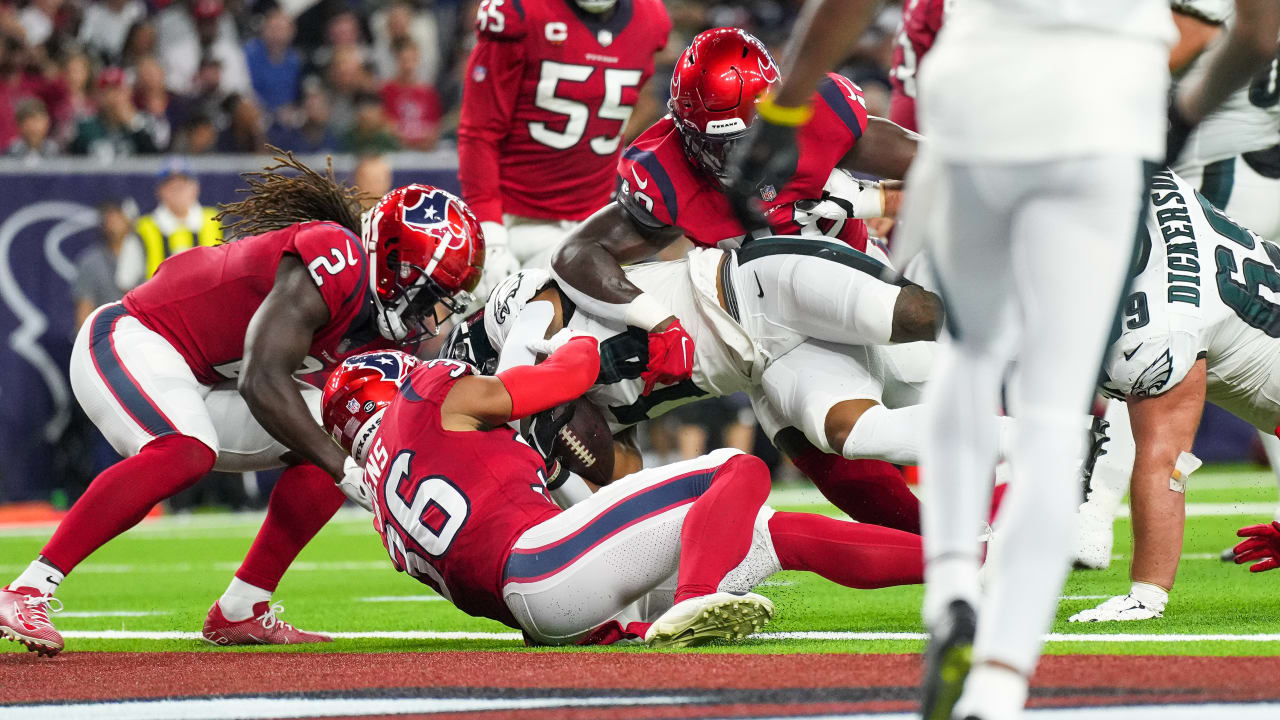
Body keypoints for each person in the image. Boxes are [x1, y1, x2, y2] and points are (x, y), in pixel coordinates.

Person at [0, 154, 485, 656]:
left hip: (204, 380)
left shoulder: (381, 328)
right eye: (431, 295)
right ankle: (28, 588)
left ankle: (242, 608)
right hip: (135, 336)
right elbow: (260, 378)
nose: (435, 314)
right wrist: (347, 472)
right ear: (392, 269)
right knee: (187, 451)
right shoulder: (334, 256)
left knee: (341, 430)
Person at [548, 28, 924, 532]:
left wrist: (893, 204)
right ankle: (961, 546)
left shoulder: (822, 111)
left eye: (746, 138)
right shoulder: (665, 168)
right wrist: (654, 319)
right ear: (685, 128)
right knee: (827, 447)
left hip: (864, 282)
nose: (732, 158)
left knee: (940, 388)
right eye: (716, 142)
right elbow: (578, 251)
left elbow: (932, 167)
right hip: (781, 332)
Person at [322, 348, 925, 646]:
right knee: (732, 472)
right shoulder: (425, 396)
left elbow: (496, 545)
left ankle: (972, 563)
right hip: (546, 562)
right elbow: (571, 373)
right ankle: (697, 599)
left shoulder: (383, 505)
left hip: (547, 610)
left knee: (763, 532)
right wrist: (567, 333)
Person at [449, 251, 941, 533]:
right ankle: (973, 544)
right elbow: (618, 491)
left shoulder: (525, 310)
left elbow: (514, 374)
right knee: (855, 447)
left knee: (922, 333)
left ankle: (1001, 308)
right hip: (760, 367)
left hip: (750, 290)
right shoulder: (582, 414)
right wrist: (555, 471)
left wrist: (519, 420)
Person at [1078, 0, 1280, 569]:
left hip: (1212, 173)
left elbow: (1176, 50)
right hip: (1257, 166)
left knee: (1150, 338)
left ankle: (1091, 517)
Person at [1067, 170, 1280, 622]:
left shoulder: (1159, 322)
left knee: (1159, 444)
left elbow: (1166, 458)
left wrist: (1147, 591)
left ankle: (1143, 593)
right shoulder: (1153, 182)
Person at [456, 0, 671, 297]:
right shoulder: (521, 11)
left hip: (594, 220)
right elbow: (480, 131)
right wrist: (490, 235)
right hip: (513, 219)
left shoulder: (650, 19)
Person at [134, 158, 222, 280]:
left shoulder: (216, 221)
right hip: (159, 298)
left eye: (183, 185)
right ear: (160, 191)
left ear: (195, 188)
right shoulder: (144, 228)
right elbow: (127, 280)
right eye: (171, 186)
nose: (178, 192)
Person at [71, 201, 143, 329]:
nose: (114, 221)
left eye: (119, 215)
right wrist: (87, 342)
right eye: (109, 216)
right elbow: (84, 307)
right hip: (105, 334)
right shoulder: (91, 260)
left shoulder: (150, 256)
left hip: (145, 334)